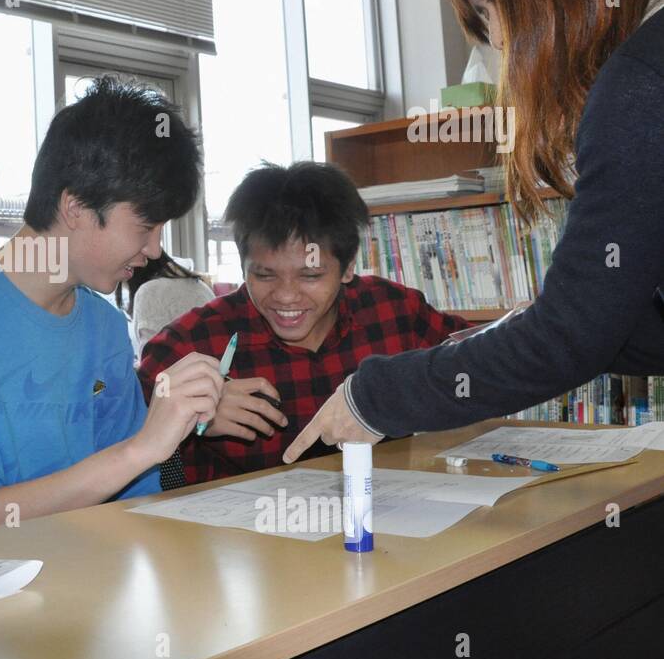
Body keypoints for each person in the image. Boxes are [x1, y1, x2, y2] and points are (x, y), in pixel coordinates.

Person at [286, 0, 664, 461]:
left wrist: (374, 395)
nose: (498, 34)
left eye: (493, 1)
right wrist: (565, 314)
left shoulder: (640, 83)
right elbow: (603, 329)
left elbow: (570, 339)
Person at [0, 78, 223, 546]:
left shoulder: (105, 326)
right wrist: (139, 450)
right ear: (74, 206)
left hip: (73, 573)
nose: (155, 249)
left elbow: (135, 500)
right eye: (146, 225)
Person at [140, 162, 468, 482]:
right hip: (240, 532)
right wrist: (192, 417)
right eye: (264, 274)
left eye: (310, 275)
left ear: (348, 267)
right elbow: (122, 442)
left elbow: (472, 361)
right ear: (243, 267)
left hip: (384, 520)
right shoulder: (194, 341)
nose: (286, 297)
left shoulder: (394, 312)